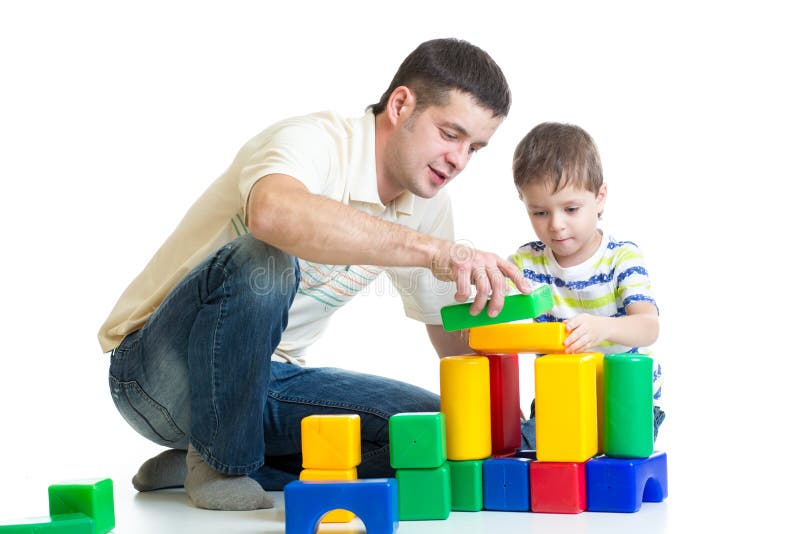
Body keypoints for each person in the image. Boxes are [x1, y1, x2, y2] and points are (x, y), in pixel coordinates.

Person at [98, 38, 532, 511]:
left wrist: (515, 399)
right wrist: (435, 252)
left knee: (431, 434)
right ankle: (222, 464)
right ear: (401, 104)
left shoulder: (426, 205)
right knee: (264, 258)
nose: (460, 160)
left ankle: (212, 458)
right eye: (451, 134)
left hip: (267, 385)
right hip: (156, 374)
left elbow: (453, 341)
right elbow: (270, 213)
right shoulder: (316, 142)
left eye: (475, 148)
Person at [509, 122, 664, 441]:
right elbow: (498, 308)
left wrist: (603, 328)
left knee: (615, 448)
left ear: (600, 198)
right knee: (519, 445)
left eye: (570, 209)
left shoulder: (622, 258)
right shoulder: (526, 263)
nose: (556, 225)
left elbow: (648, 326)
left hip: (626, 399)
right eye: (539, 213)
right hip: (560, 397)